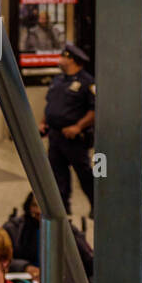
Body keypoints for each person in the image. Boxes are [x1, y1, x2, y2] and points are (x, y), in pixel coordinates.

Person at [38, 43, 95, 217]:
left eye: (63, 56)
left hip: (74, 138)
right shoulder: (58, 80)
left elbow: (94, 110)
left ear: (73, 60)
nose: (59, 59)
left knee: (84, 174)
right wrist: (43, 122)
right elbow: (51, 105)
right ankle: (62, 210)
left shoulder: (87, 83)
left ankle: (97, 204)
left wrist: (78, 127)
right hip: (55, 136)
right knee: (57, 175)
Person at [2, 191, 94, 281]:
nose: (39, 211)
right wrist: (25, 267)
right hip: (25, 280)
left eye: (44, 207)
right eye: (34, 205)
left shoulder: (68, 230)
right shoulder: (13, 229)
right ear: (28, 207)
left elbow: (87, 261)